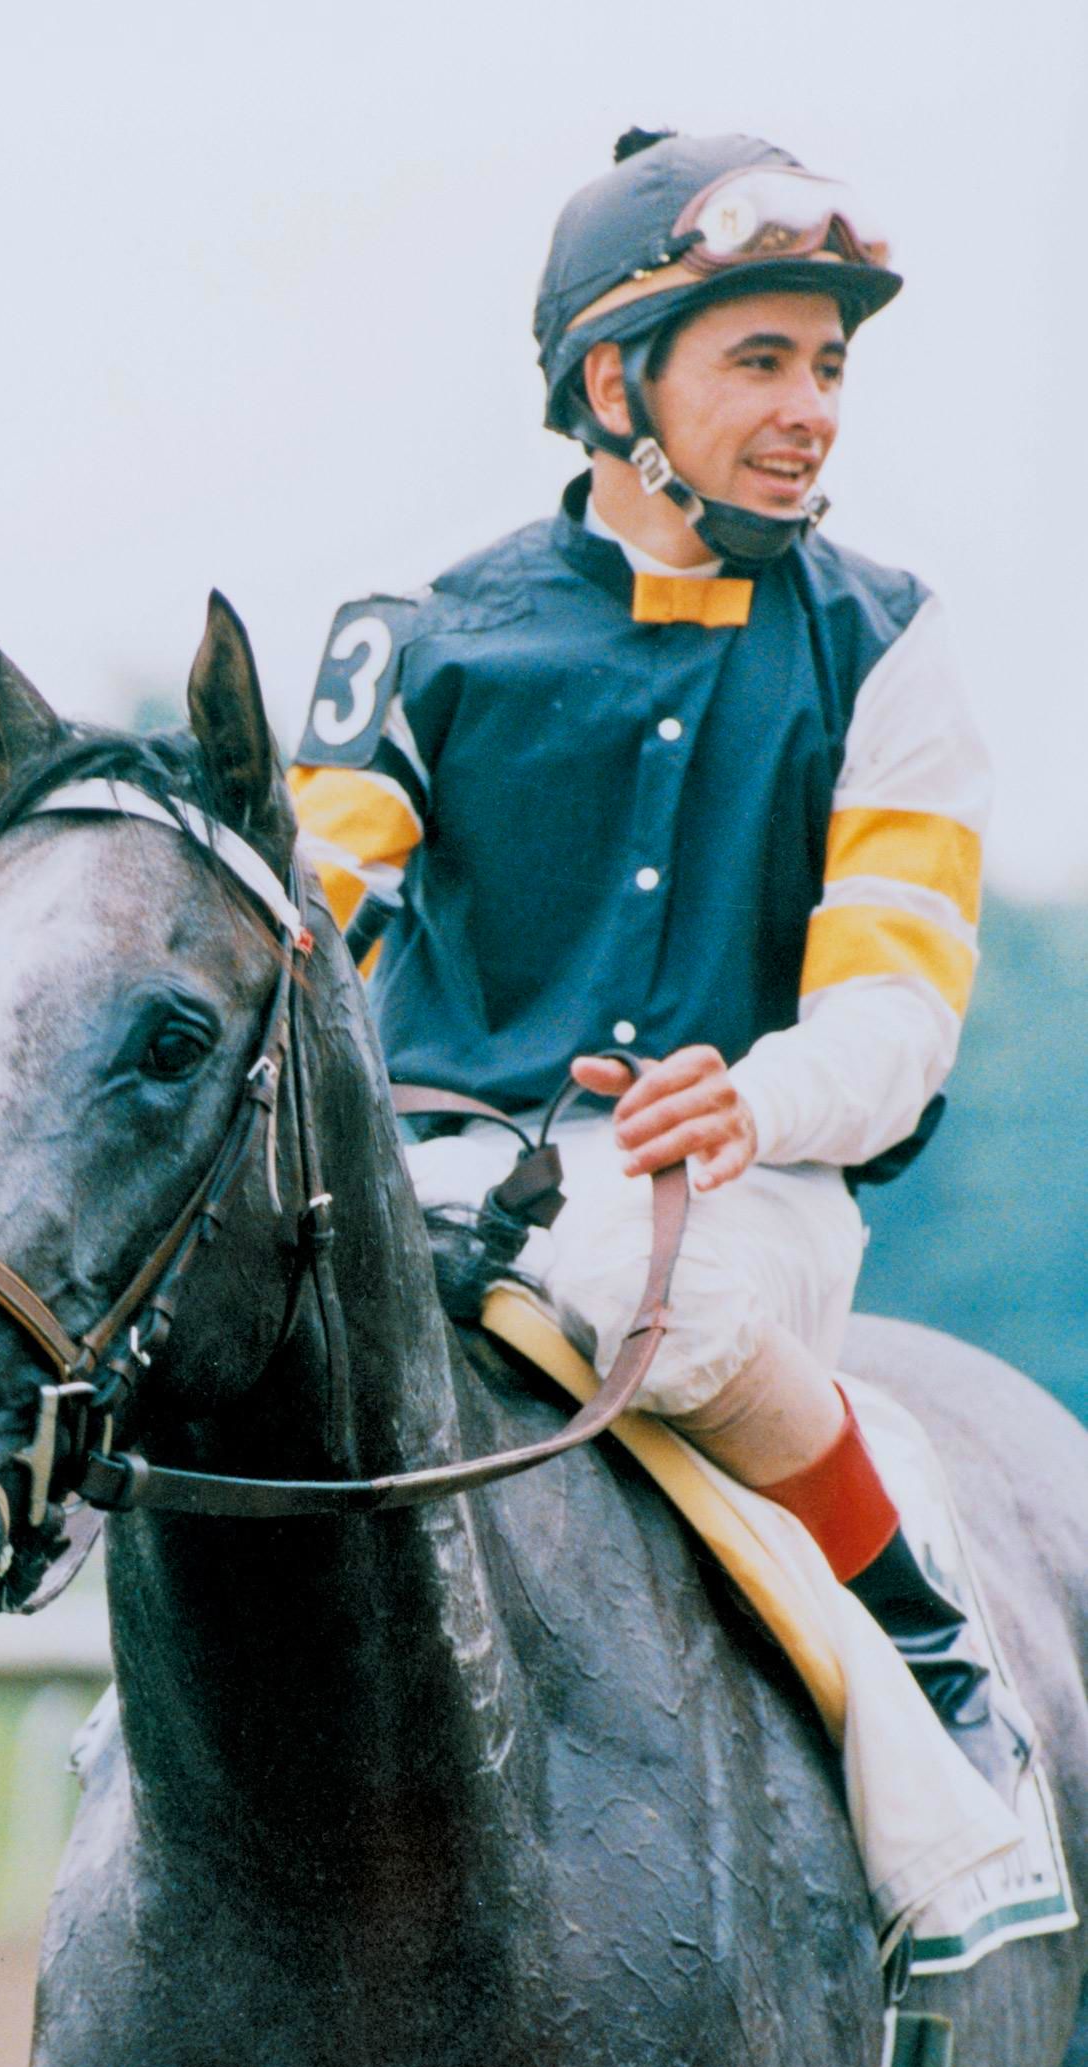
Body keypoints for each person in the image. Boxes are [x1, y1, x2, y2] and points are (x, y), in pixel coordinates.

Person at [289, 127, 1027, 1792]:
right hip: (441, 1177)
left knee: (640, 1285)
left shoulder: (890, 647)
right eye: (761, 361)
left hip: (733, 1201)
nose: (811, 409)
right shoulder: (417, 634)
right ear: (614, 384)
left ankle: (917, 1639)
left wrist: (753, 1099)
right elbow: (299, 941)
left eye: (828, 367)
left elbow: (898, 1007)